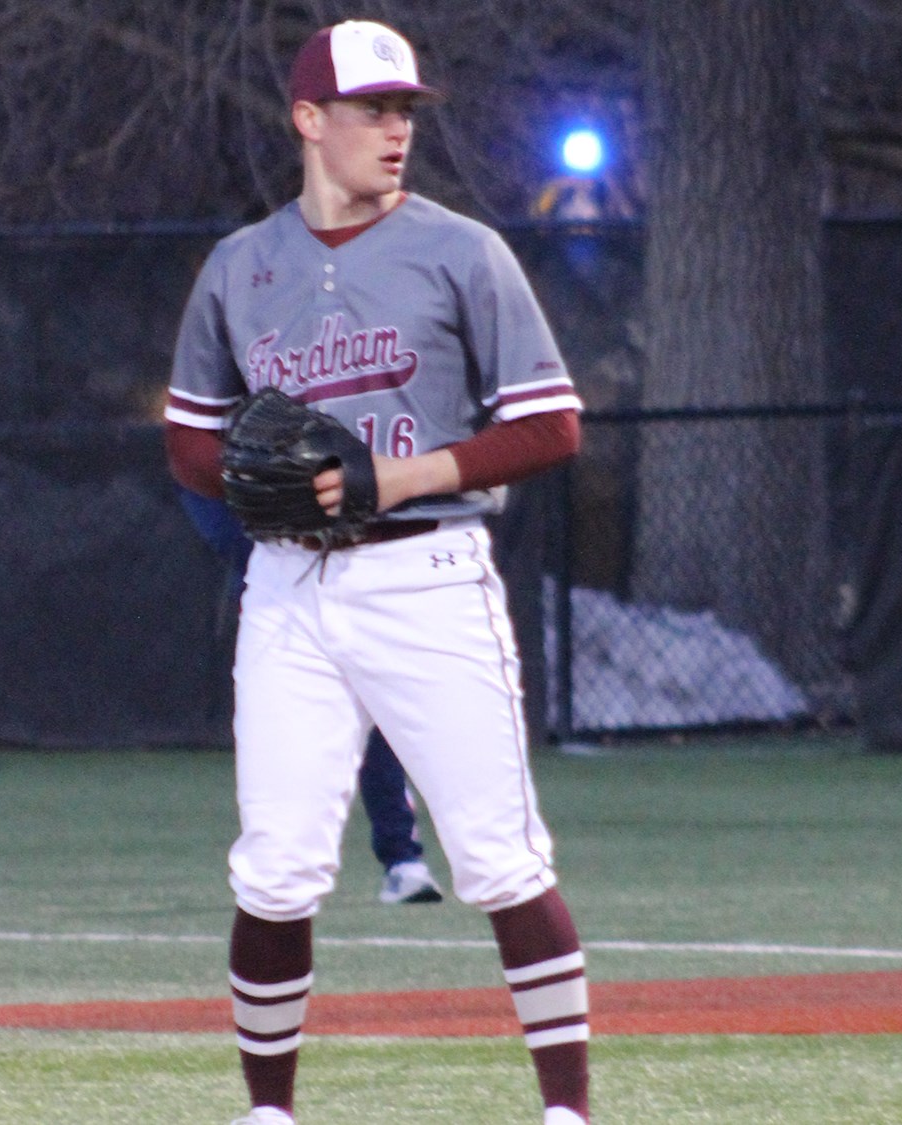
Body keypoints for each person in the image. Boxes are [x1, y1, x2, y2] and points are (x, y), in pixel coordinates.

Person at [164, 20, 590, 1125]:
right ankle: (267, 1113)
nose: (395, 132)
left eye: (405, 112)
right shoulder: (240, 268)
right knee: (274, 868)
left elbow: (548, 427)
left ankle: (567, 1113)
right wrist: (251, 481)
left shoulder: (461, 251)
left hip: (428, 573)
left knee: (497, 857)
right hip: (289, 591)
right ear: (310, 121)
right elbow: (189, 443)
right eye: (371, 112)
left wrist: (393, 478)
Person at [176, 485, 445, 906]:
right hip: (280, 601)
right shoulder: (216, 440)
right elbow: (217, 516)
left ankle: (403, 861)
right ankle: (280, 872)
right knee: (283, 746)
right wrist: (291, 552)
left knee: (378, 722)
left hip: (359, 586)